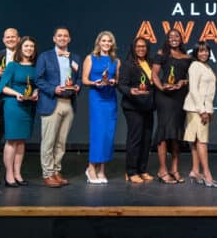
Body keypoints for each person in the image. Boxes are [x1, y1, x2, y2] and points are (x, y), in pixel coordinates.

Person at [35, 27, 81, 188]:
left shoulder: (75, 58)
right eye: (59, 35)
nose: (62, 38)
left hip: (68, 103)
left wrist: (77, 86)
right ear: (54, 38)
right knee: (48, 141)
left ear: (69, 39)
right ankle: (47, 173)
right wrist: (52, 89)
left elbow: (79, 78)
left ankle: (56, 171)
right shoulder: (45, 57)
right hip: (51, 101)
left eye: (65, 36)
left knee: (61, 142)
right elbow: (38, 79)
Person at [0, 36, 38, 187]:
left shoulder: (35, 66)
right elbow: (3, 87)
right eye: (26, 46)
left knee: (21, 141)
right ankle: (9, 175)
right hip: (14, 104)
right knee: (12, 140)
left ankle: (18, 173)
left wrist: (36, 92)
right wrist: (16, 94)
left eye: (31, 46)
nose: (29, 49)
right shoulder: (12, 65)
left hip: (28, 105)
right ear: (20, 48)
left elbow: (37, 84)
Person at [151, 29, 191, 184]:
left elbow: (191, 77)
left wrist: (184, 82)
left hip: (180, 98)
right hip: (165, 97)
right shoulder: (162, 53)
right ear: (167, 39)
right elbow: (154, 75)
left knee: (176, 133)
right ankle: (162, 170)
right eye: (171, 36)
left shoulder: (187, 57)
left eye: (177, 36)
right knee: (164, 132)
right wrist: (162, 87)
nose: (174, 38)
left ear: (181, 39)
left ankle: (174, 169)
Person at [82, 31, 121, 184]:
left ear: (112, 44)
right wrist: (95, 83)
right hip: (97, 99)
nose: (106, 43)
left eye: (109, 41)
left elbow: (117, 80)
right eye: (103, 41)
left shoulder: (116, 61)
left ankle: (102, 169)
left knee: (108, 135)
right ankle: (91, 168)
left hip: (110, 98)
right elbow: (85, 80)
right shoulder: (90, 58)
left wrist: (113, 82)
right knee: (98, 133)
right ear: (98, 42)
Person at [117, 37, 156, 184]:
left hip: (148, 106)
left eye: (144, 46)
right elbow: (121, 85)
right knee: (135, 139)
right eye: (138, 46)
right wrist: (131, 91)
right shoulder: (128, 64)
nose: (141, 49)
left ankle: (142, 170)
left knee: (147, 139)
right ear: (133, 48)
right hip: (133, 107)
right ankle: (131, 171)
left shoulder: (150, 63)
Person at [0, 27, 21, 185]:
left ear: (18, 39)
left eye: (13, 37)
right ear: (3, 40)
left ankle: (15, 172)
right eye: (7, 37)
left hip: (18, 101)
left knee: (16, 139)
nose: (10, 39)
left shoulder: (25, 56)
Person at [183, 41, 217, 187]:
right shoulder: (195, 66)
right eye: (200, 51)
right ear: (196, 53)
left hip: (203, 109)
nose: (204, 53)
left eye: (206, 51)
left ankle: (195, 170)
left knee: (197, 140)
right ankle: (207, 174)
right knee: (201, 141)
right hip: (196, 109)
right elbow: (194, 91)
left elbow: (209, 93)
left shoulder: (207, 67)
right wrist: (202, 110)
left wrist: (209, 110)